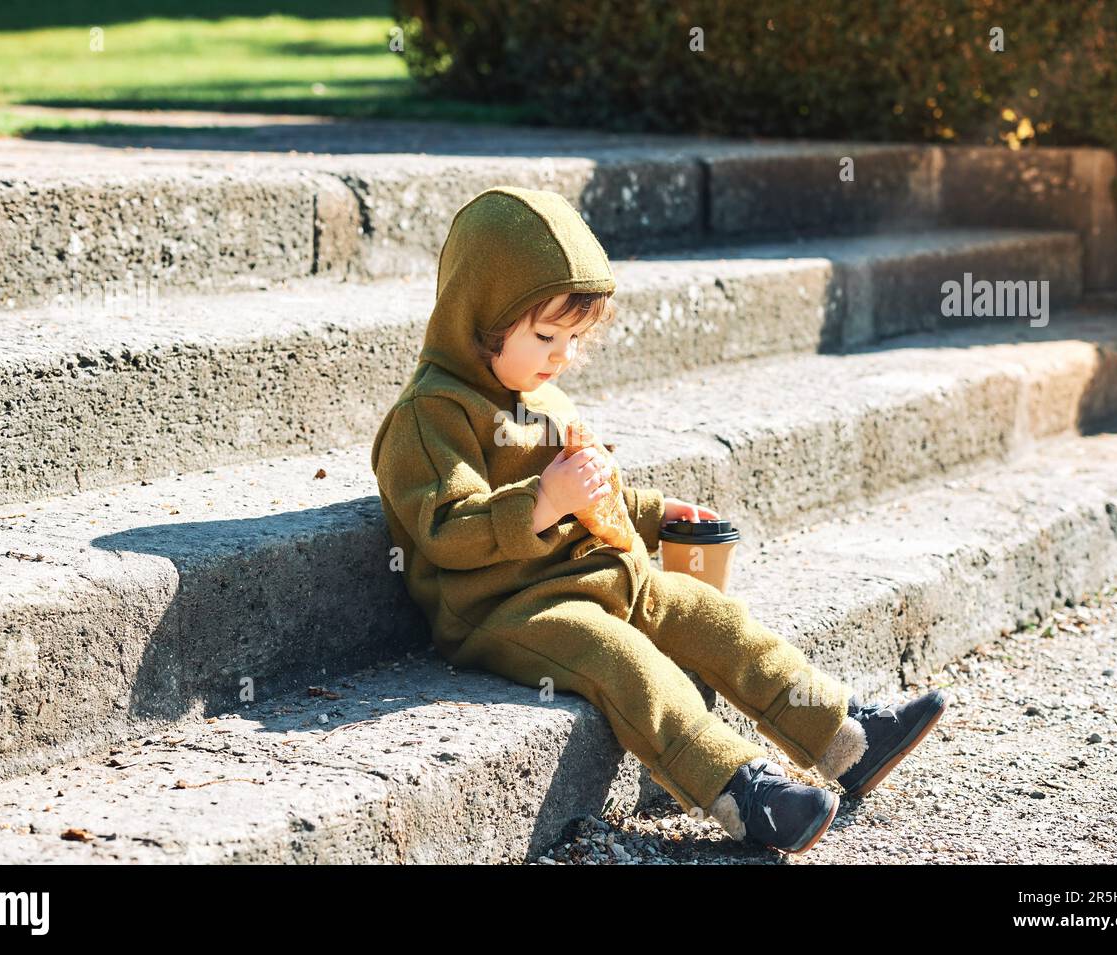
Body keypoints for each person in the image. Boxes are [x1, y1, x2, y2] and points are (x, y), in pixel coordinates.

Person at [370, 185, 948, 855]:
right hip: (508, 607)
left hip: (603, 573)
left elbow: (596, 489)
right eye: (547, 335)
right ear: (479, 318)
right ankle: (742, 789)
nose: (563, 354)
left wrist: (655, 513)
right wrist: (541, 504)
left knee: (713, 615)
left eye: (576, 339)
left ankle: (845, 735)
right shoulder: (431, 415)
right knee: (625, 660)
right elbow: (444, 528)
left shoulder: (537, 391)